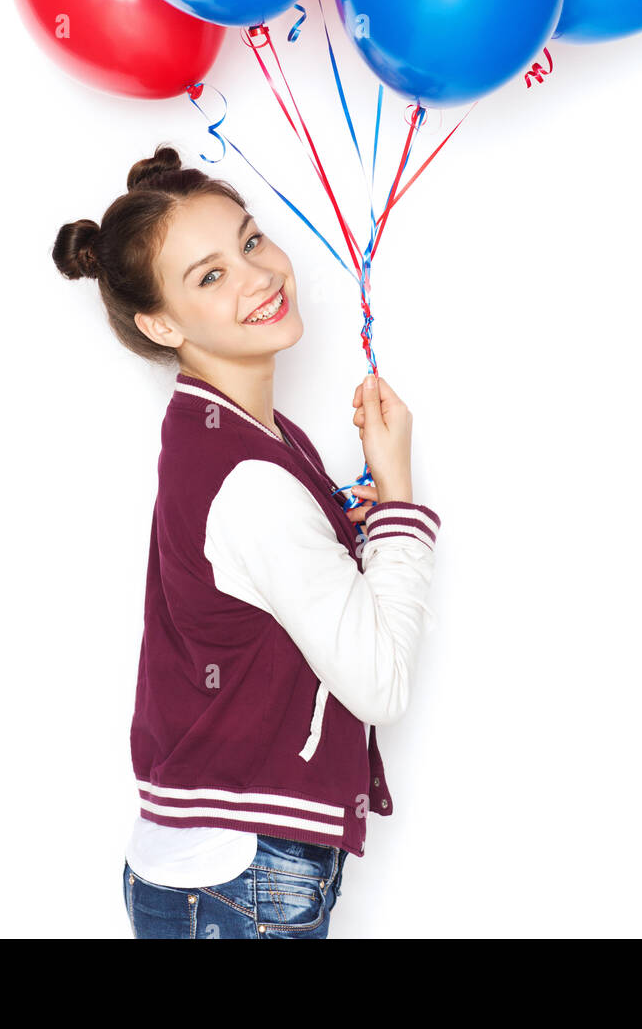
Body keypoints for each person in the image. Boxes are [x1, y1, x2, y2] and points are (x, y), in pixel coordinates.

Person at [52, 144, 442, 938]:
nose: (259, 276)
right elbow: (381, 685)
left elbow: (250, 594)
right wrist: (399, 498)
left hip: (219, 872)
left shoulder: (235, 434)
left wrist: (339, 531)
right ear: (160, 323)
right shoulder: (250, 474)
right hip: (241, 878)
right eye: (211, 276)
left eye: (251, 241)